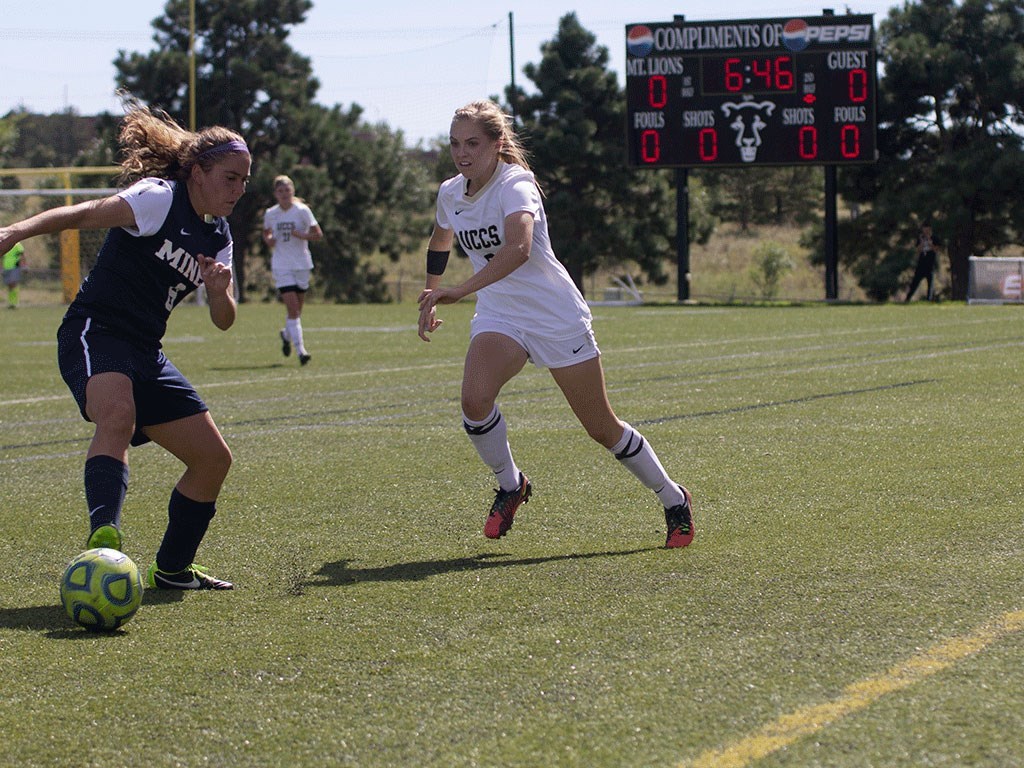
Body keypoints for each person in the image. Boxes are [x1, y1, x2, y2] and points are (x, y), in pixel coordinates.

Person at [417, 100, 694, 548]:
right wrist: (431, 293)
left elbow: (519, 248)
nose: (462, 153)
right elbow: (440, 238)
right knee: (474, 401)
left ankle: (672, 497)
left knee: (600, 427)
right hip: (500, 315)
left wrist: (458, 290)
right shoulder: (451, 192)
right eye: (454, 143)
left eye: (472, 143)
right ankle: (511, 486)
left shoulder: (515, 184)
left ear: (497, 143)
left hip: (554, 316)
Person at [0, 100, 250, 590]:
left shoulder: (218, 236)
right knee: (118, 416)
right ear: (197, 172)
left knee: (213, 460)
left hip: (145, 351)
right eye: (230, 178)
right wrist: (15, 230)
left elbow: (225, 321)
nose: (239, 190)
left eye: (244, 180)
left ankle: (174, 570)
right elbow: (82, 213)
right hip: (95, 330)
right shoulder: (158, 197)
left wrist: (220, 293)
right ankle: (103, 542)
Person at [262, 174, 322, 366]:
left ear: (292, 191)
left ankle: (286, 334)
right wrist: (269, 239)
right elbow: (266, 232)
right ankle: (301, 351)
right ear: (275, 194)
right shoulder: (271, 213)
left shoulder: (302, 211)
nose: (284, 194)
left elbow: (317, 234)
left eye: (287, 190)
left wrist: (302, 235)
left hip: (302, 264)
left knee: (296, 311)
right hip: (282, 265)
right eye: (280, 191)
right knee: (293, 309)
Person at [905, 223, 940, 302]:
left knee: (930, 283)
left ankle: (929, 299)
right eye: (924, 229)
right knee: (915, 282)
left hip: (930, 264)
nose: (925, 231)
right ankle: (908, 298)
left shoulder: (934, 238)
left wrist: (930, 243)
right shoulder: (920, 238)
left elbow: (936, 249)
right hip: (921, 264)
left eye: (927, 229)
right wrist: (922, 243)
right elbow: (917, 250)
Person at [3, 241, 24, 308]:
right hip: (6, 267)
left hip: (14, 267)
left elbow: (22, 255)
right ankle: (10, 303)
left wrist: (24, 265)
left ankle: (15, 303)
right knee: (9, 286)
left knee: (13, 284)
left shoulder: (17, 244)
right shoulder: (4, 244)